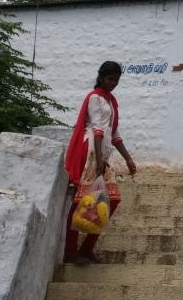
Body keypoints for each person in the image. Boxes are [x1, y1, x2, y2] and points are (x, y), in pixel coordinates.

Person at [63, 60, 137, 265]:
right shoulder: (95, 98)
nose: (113, 83)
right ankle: (70, 251)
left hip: (103, 153)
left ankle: (87, 248)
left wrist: (128, 159)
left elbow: (114, 134)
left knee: (110, 200)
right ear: (101, 77)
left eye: (116, 79)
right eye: (110, 79)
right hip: (91, 152)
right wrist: (98, 160)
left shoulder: (111, 101)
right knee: (80, 202)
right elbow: (97, 129)